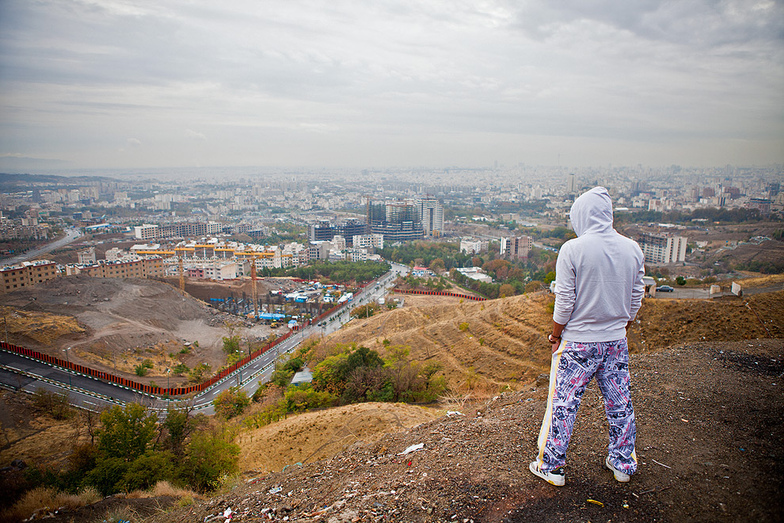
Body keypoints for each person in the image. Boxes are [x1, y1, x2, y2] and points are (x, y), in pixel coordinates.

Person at [529, 186, 645, 487]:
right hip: (616, 341)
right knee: (620, 403)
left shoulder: (573, 249)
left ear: (581, 215)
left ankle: (551, 466)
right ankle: (622, 464)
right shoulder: (632, 249)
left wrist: (555, 334)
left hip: (578, 341)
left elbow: (564, 301)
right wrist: (623, 326)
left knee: (563, 404)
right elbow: (636, 296)